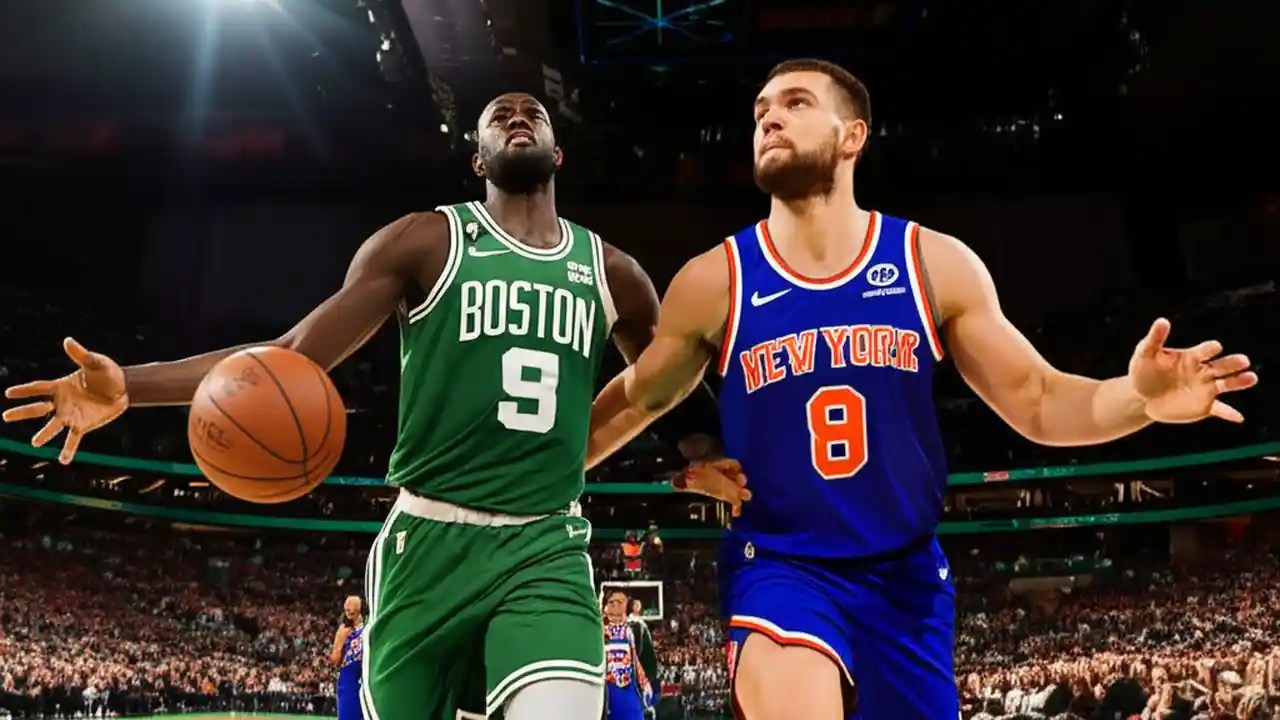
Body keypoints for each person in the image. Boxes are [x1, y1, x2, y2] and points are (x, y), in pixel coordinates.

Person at [585, 58, 1258, 720]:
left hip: (903, 577)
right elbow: (640, 397)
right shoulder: (717, 279)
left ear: (852, 136)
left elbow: (1040, 401)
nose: (770, 119)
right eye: (761, 112)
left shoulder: (932, 263)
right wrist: (521, 479)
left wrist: (1139, 399)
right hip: (781, 562)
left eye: (794, 104)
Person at [1, 92, 705, 720]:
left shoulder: (612, 272)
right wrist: (130, 384)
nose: (517, 118)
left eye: (534, 115)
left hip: (545, 543)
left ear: (559, 150)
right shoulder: (426, 241)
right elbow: (287, 355)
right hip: (427, 543)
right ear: (477, 158)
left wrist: (710, 452)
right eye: (499, 116)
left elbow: (670, 381)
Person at [602, 591, 650, 720]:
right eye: (612, 603)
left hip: (628, 685)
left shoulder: (628, 631)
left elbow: (634, 658)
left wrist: (644, 682)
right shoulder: (602, 630)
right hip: (608, 687)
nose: (615, 606)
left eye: (619, 603)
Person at [331, 595, 366, 720]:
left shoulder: (368, 629)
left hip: (366, 679)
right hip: (347, 681)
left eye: (351, 607)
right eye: (346, 608)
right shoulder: (343, 630)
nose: (348, 610)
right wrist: (341, 642)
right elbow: (335, 660)